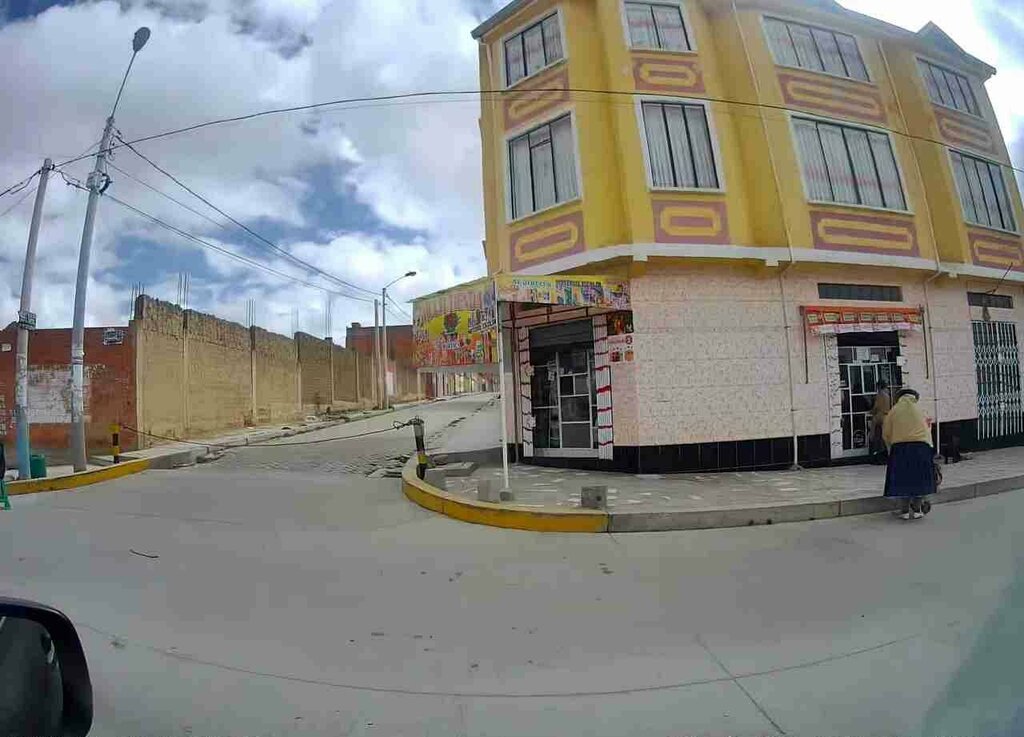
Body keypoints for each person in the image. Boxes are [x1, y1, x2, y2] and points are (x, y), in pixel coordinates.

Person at [883, 388, 936, 520]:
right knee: (918, 480)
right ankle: (917, 510)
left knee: (903, 480)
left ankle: (905, 511)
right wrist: (930, 449)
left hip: (901, 449)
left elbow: (886, 433)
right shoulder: (921, 410)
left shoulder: (894, 411)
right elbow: (928, 429)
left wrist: (890, 447)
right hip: (921, 448)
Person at [869, 379, 892, 464]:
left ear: (879, 386)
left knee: (874, 435)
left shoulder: (879, 395)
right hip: (887, 416)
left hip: (879, 416)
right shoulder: (888, 395)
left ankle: (875, 453)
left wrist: (871, 412)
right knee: (886, 438)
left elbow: (876, 407)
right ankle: (888, 455)